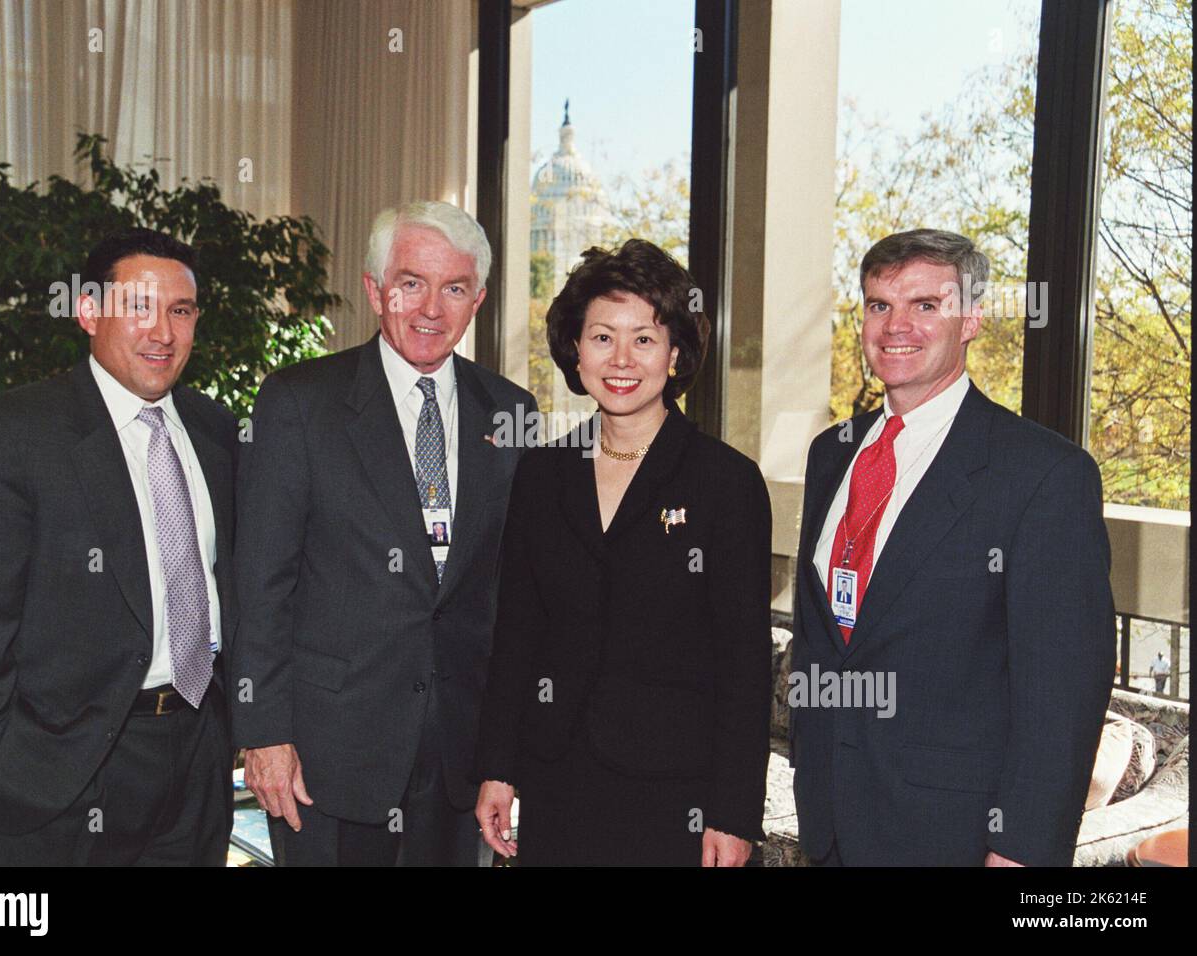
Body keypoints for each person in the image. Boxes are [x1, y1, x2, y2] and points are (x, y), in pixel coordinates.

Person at [790, 229, 1115, 867]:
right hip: (828, 822)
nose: (895, 327)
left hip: (955, 837)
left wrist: (1021, 848)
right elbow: (824, 638)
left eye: (925, 305)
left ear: (970, 320)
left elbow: (1062, 692)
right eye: (879, 305)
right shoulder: (831, 454)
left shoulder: (1043, 474)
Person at [0, 229, 238, 865]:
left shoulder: (216, 430)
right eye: (140, 308)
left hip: (200, 751)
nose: (164, 333)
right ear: (89, 312)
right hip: (64, 766)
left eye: (180, 311)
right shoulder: (9, 434)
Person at [232, 200, 537, 866]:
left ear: (477, 300)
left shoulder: (512, 413)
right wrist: (263, 735)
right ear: (374, 290)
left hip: (460, 758)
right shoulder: (297, 403)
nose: (431, 308)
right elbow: (258, 582)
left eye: (453, 288)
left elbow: (517, 599)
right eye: (410, 283)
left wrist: (505, 756)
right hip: (325, 756)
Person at [473, 238, 772, 866]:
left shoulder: (727, 483)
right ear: (575, 350)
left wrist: (733, 811)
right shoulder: (542, 474)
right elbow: (518, 632)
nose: (621, 358)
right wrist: (498, 767)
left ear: (676, 353)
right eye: (602, 336)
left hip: (676, 796)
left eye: (645, 338)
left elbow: (745, 664)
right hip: (557, 780)